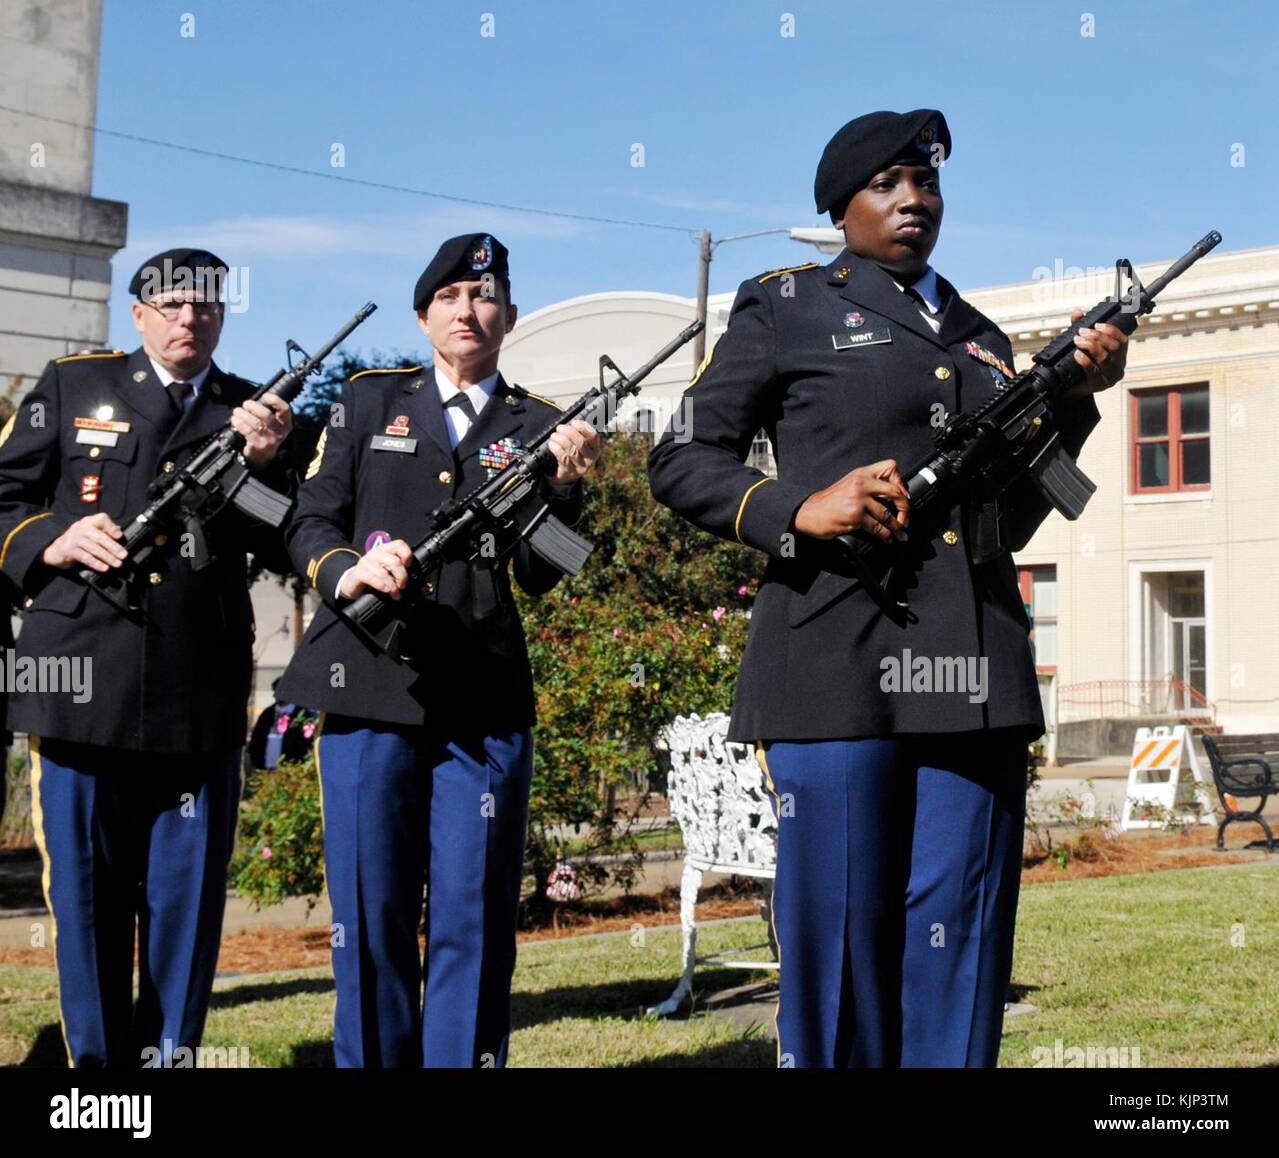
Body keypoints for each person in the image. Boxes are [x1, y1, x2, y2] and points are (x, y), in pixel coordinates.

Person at [647, 110, 1129, 1068]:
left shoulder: (985, 338)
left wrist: (1074, 397)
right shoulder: (781, 306)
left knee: (961, 934)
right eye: (887, 185)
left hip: (969, 672)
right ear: (840, 207)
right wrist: (797, 507)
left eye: (928, 184)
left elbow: (1014, 516)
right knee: (837, 935)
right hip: (836, 663)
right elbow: (680, 458)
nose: (913, 200)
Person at [276, 232, 600, 1069]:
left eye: (485, 296)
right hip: (366, 688)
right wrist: (348, 570)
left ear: (510, 316)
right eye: (451, 297)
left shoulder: (542, 426)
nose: (469, 310)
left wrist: (565, 490)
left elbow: (546, 572)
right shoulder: (364, 402)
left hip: (481, 699)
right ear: (425, 317)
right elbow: (307, 521)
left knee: (475, 913)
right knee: (371, 910)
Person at [0, 247, 292, 1068]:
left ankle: (168, 1062)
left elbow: (290, 535)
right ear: (138, 315)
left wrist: (265, 463)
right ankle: (95, 1081)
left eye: (203, 306)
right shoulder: (73, 384)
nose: (187, 318)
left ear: (223, 316)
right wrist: (52, 539)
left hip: (196, 688)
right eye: (170, 304)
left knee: (186, 900)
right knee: (87, 901)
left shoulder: (253, 414)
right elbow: (3, 497)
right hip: (75, 680)